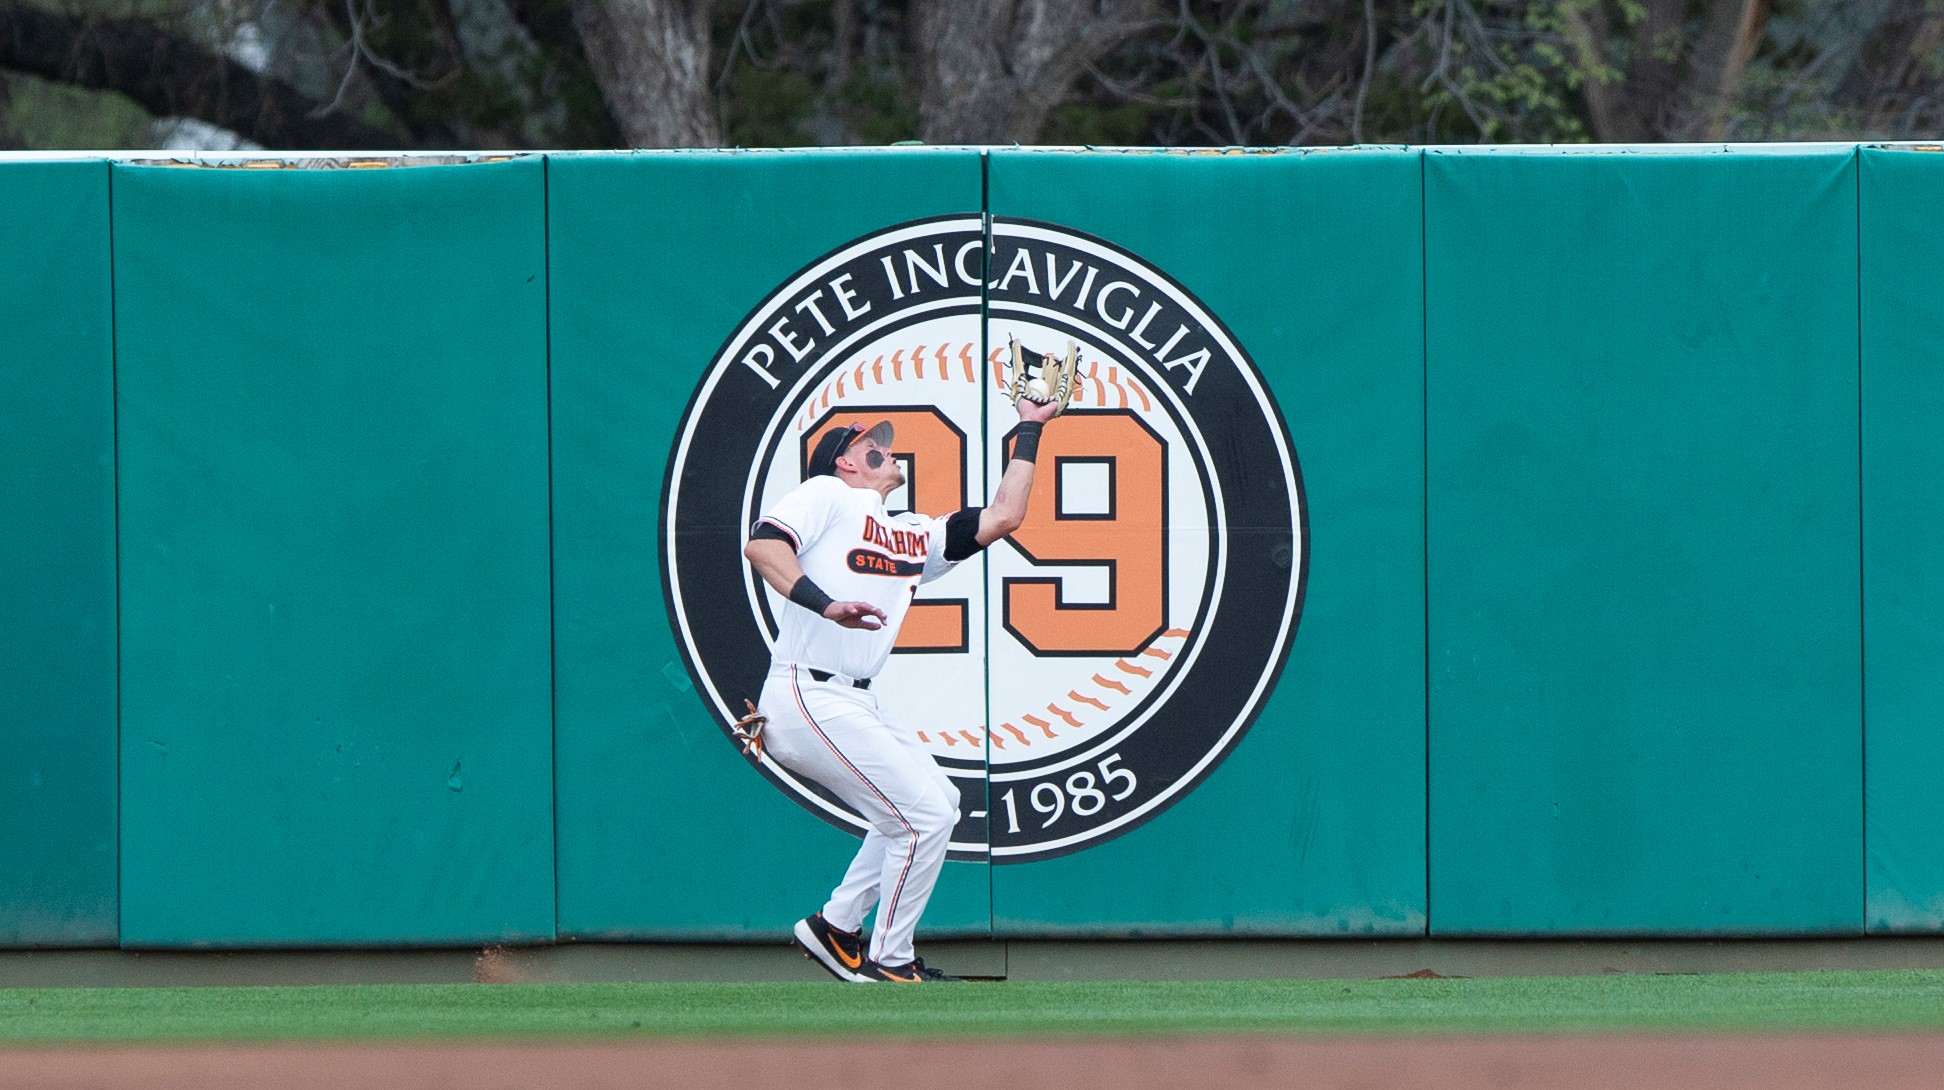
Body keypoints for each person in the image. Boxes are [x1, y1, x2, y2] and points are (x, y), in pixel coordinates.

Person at [740, 395, 1063, 983]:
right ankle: (892, 960)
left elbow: (1003, 517)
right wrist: (826, 604)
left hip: (853, 699)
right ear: (845, 461)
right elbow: (763, 545)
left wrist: (1030, 427)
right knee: (922, 819)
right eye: (872, 444)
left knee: (939, 803)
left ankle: (836, 925)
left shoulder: (911, 532)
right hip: (806, 690)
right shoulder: (828, 494)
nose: (887, 450)